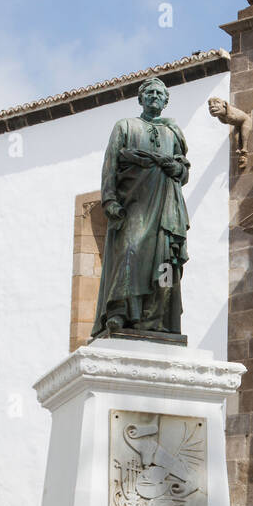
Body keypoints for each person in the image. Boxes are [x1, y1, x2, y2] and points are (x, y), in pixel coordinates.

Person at [93, 75, 190, 337]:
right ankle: (120, 312)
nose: (155, 97)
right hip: (134, 203)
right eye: (150, 93)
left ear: (166, 101)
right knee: (131, 252)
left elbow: (184, 171)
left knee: (165, 261)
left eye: (160, 94)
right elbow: (110, 165)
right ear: (141, 98)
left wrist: (176, 167)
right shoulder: (125, 126)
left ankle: (158, 317)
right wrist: (110, 199)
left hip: (166, 208)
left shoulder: (173, 132)